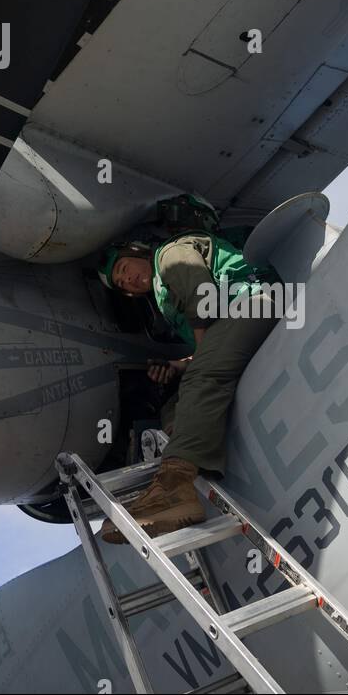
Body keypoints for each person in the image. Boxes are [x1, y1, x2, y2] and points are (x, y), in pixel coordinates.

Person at [96, 230, 281, 543]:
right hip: (235, 318)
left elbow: (203, 299)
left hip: (256, 300)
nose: (128, 279)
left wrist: (197, 365)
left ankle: (174, 487)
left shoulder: (169, 255)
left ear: (138, 252)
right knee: (173, 404)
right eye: (122, 282)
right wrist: (179, 366)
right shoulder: (163, 298)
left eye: (125, 268)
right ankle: (183, 468)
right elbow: (208, 339)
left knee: (200, 378)